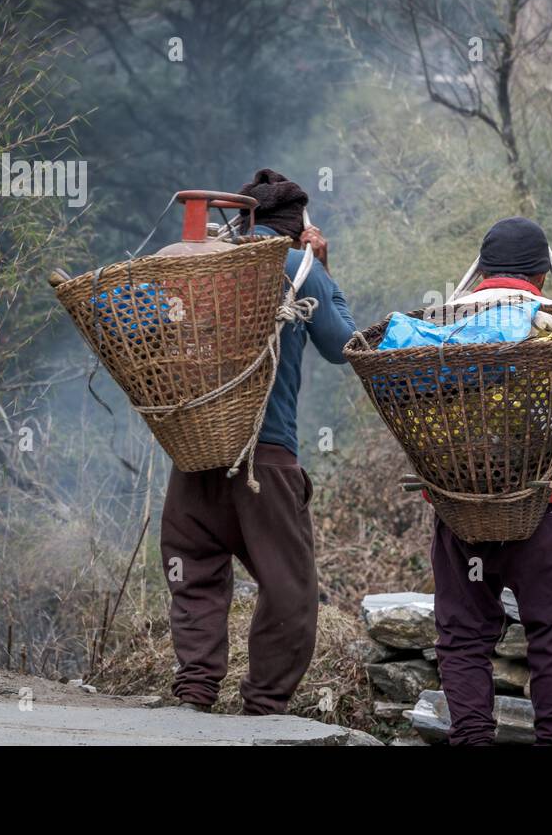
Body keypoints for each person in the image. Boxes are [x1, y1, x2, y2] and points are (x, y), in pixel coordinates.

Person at [159, 168, 356, 714]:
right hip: (265, 463)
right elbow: (344, 345)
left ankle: (195, 692)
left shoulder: (203, 264)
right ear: (296, 230)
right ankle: (264, 709)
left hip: (194, 455)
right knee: (290, 590)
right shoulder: (295, 265)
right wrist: (320, 265)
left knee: (195, 570)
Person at [428, 216, 552, 745]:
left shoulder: (442, 328)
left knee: (462, 638)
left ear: (481, 271)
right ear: (542, 275)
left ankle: (473, 738)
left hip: (463, 512)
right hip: (546, 512)